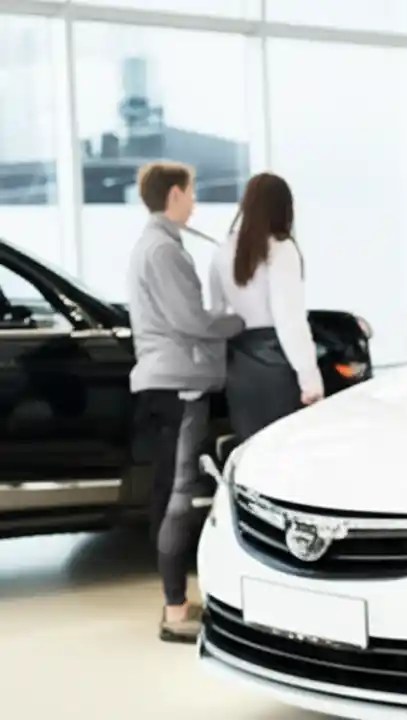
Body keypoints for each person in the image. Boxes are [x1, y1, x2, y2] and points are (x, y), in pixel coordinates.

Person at [125, 161, 244, 643]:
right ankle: (176, 613)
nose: (194, 203)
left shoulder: (155, 244)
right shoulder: (163, 250)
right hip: (176, 386)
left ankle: (173, 601)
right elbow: (190, 320)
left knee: (168, 494)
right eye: (191, 193)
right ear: (174, 194)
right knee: (178, 497)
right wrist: (239, 321)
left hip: (166, 382)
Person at [211, 172, 323, 441]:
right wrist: (309, 378)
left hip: (239, 365)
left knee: (251, 450)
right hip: (276, 361)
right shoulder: (282, 249)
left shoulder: (223, 251)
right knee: (284, 450)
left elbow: (218, 313)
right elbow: (289, 319)